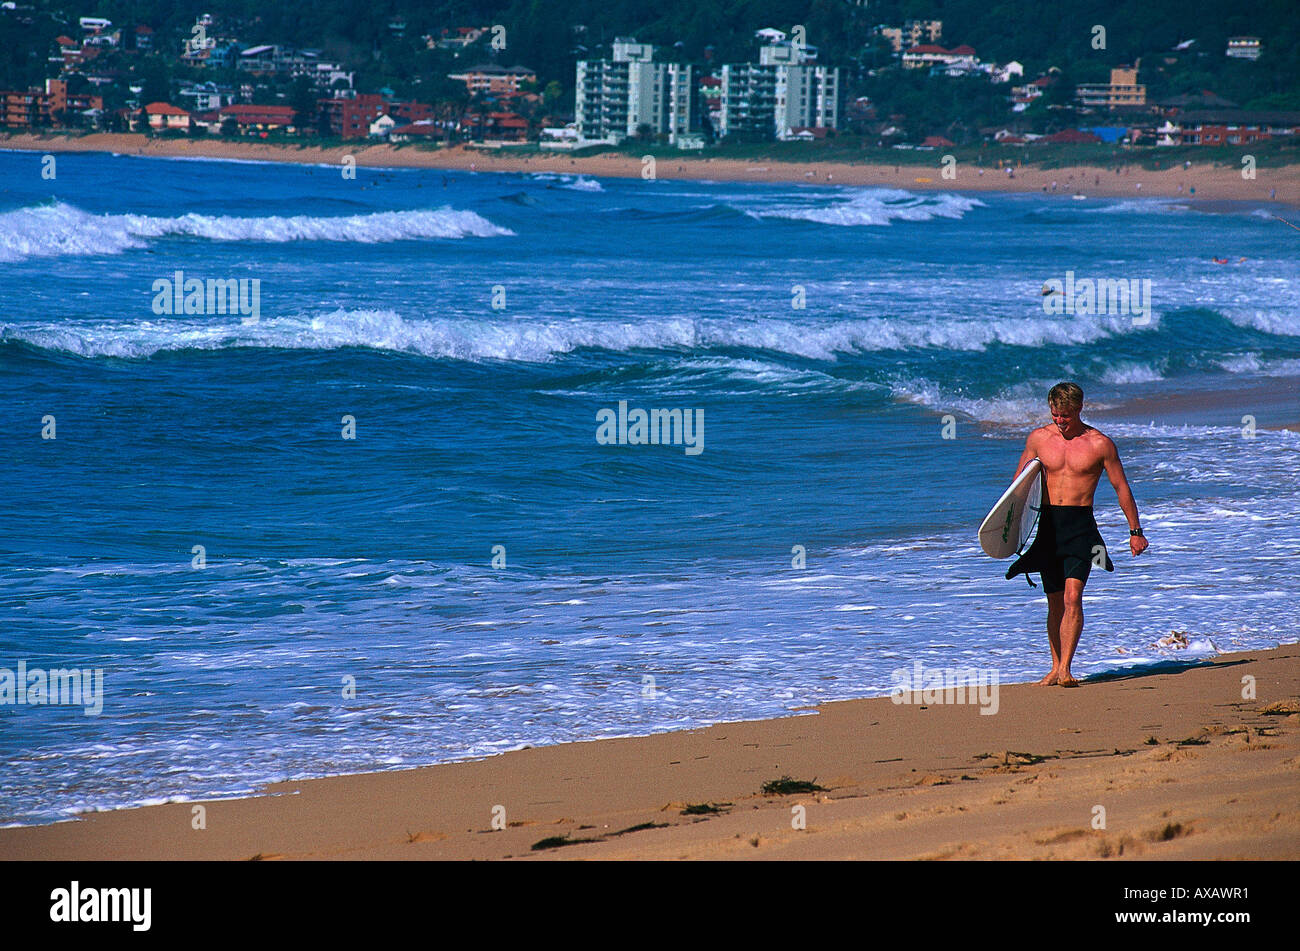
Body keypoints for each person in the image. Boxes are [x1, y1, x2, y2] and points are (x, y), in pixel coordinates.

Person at [1006, 383, 1148, 686]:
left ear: (1079, 409)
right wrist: (1008, 531)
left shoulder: (1100, 444)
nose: (1060, 421)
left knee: (1073, 597)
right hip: (1048, 527)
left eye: (1066, 416)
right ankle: (1055, 667)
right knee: (1054, 600)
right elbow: (1017, 487)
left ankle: (1067, 668)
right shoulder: (1039, 439)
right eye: (1055, 415)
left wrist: (1135, 531)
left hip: (1080, 528)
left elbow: (1121, 488)